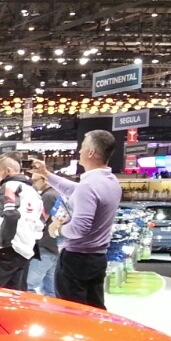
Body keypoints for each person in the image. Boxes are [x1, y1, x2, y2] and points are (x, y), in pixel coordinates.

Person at [30, 130, 122, 309]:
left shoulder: (88, 185)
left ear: (91, 153)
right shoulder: (110, 182)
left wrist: (57, 229)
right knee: (95, 310)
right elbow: (75, 190)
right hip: (97, 258)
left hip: (76, 260)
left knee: (73, 312)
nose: (79, 151)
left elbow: (80, 228)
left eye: (82, 147)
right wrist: (46, 174)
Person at [0, 157, 45, 291]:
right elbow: (41, 221)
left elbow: (11, 214)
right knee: (15, 297)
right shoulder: (33, 192)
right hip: (25, 251)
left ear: (7, 171)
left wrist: (3, 243)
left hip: (7, 252)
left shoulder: (10, 187)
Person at [28, 170, 61, 296]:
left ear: (45, 180)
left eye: (36, 180)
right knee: (51, 290)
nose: (33, 184)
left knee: (28, 285)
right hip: (54, 246)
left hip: (44, 246)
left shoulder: (48, 196)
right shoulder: (58, 194)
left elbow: (40, 221)